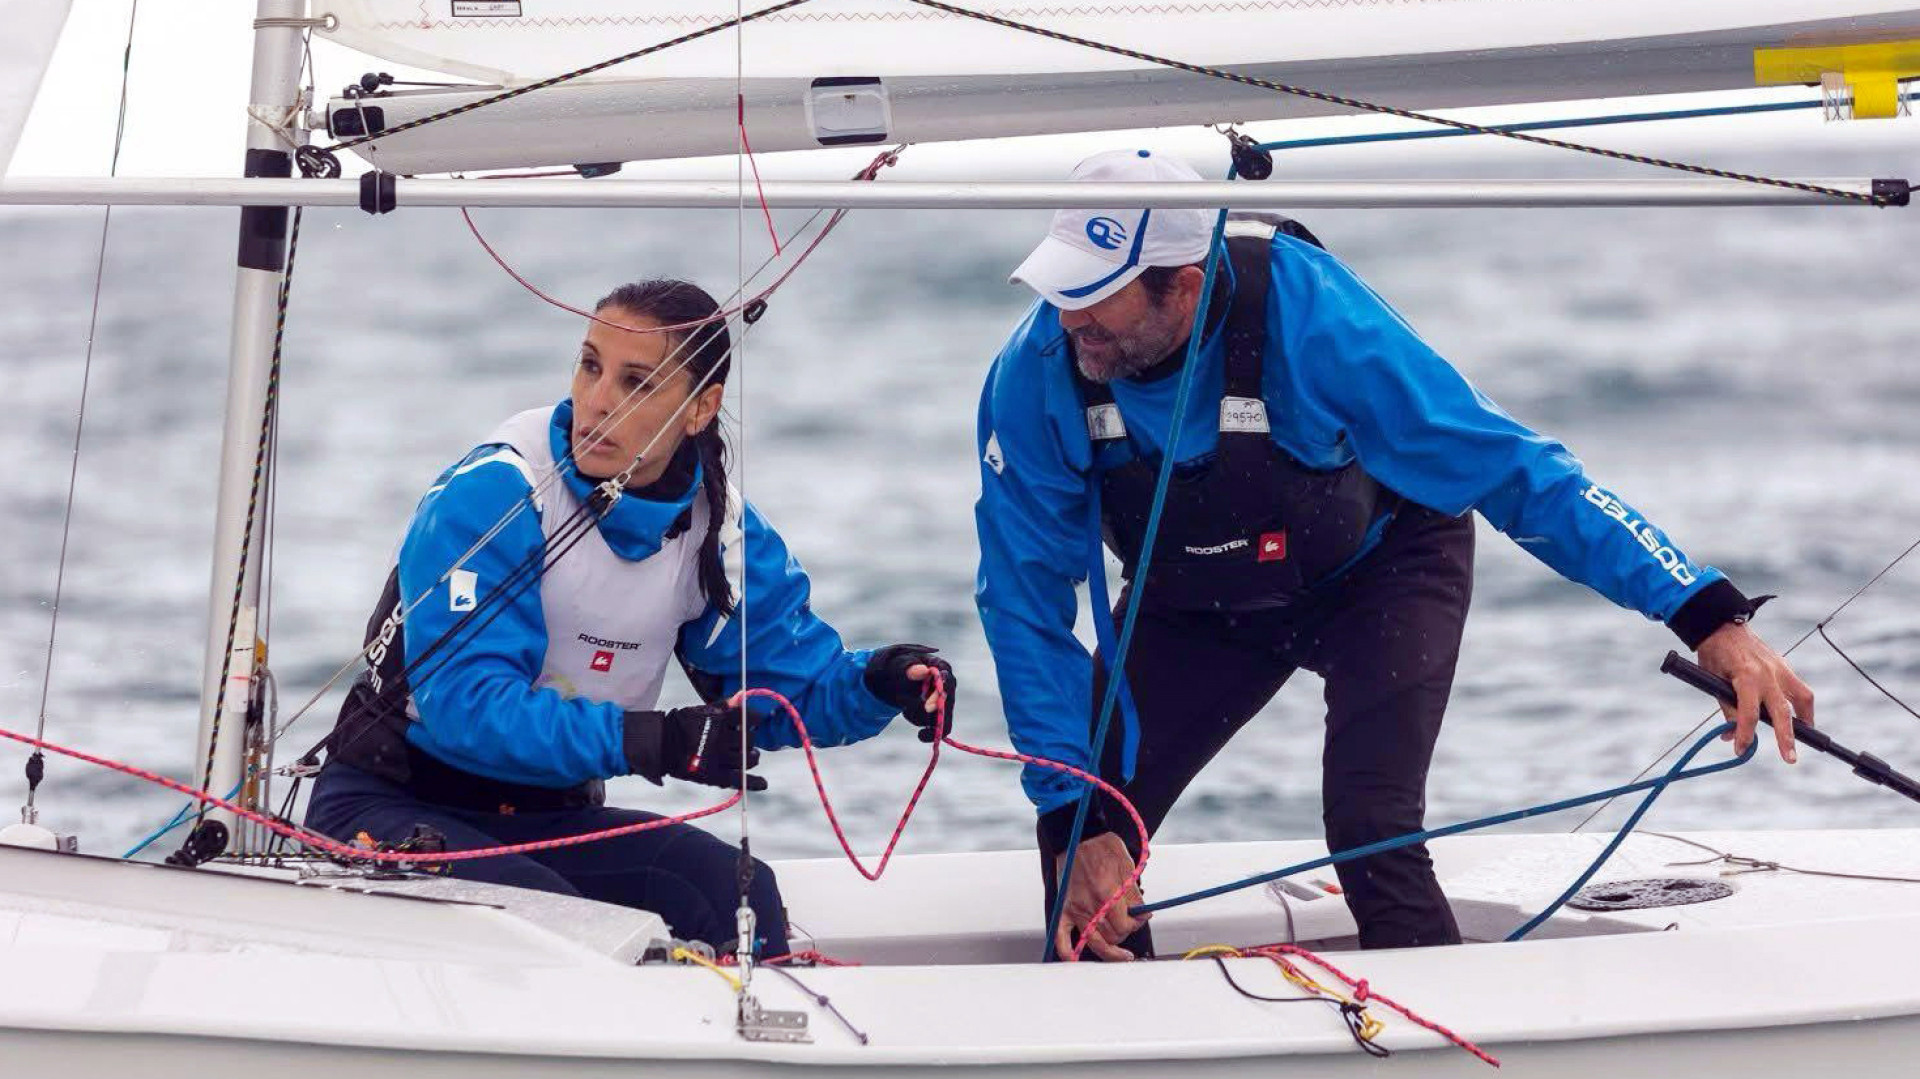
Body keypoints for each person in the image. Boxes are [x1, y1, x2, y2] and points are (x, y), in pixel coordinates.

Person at [973, 148, 1813, 962]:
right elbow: (1023, 603)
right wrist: (1066, 816)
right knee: (1088, 840)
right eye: (1058, 289)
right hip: (1195, 601)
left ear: (1184, 289)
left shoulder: (1315, 322)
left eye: (1095, 300)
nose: (1069, 320)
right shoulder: (1037, 373)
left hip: (1381, 572)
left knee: (1371, 829)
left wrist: (1706, 615)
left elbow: (1518, 471)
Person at [306, 278, 955, 958]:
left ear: (701, 408)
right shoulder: (496, 492)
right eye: (590, 366)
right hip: (392, 805)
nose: (597, 404)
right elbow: (468, 708)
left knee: (739, 893)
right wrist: (655, 741)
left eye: (638, 384)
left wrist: (879, 684)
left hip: (553, 816)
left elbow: (789, 694)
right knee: (559, 926)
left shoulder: (717, 531)